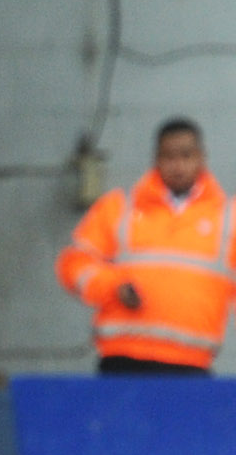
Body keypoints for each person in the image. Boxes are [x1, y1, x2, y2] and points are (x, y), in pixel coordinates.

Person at [58, 119, 236, 374]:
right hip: (122, 360)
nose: (178, 165)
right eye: (169, 156)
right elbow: (73, 263)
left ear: (202, 158)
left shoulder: (229, 218)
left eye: (186, 155)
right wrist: (112, 287)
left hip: (191, 365)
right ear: (156, 159)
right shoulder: (119, 208)